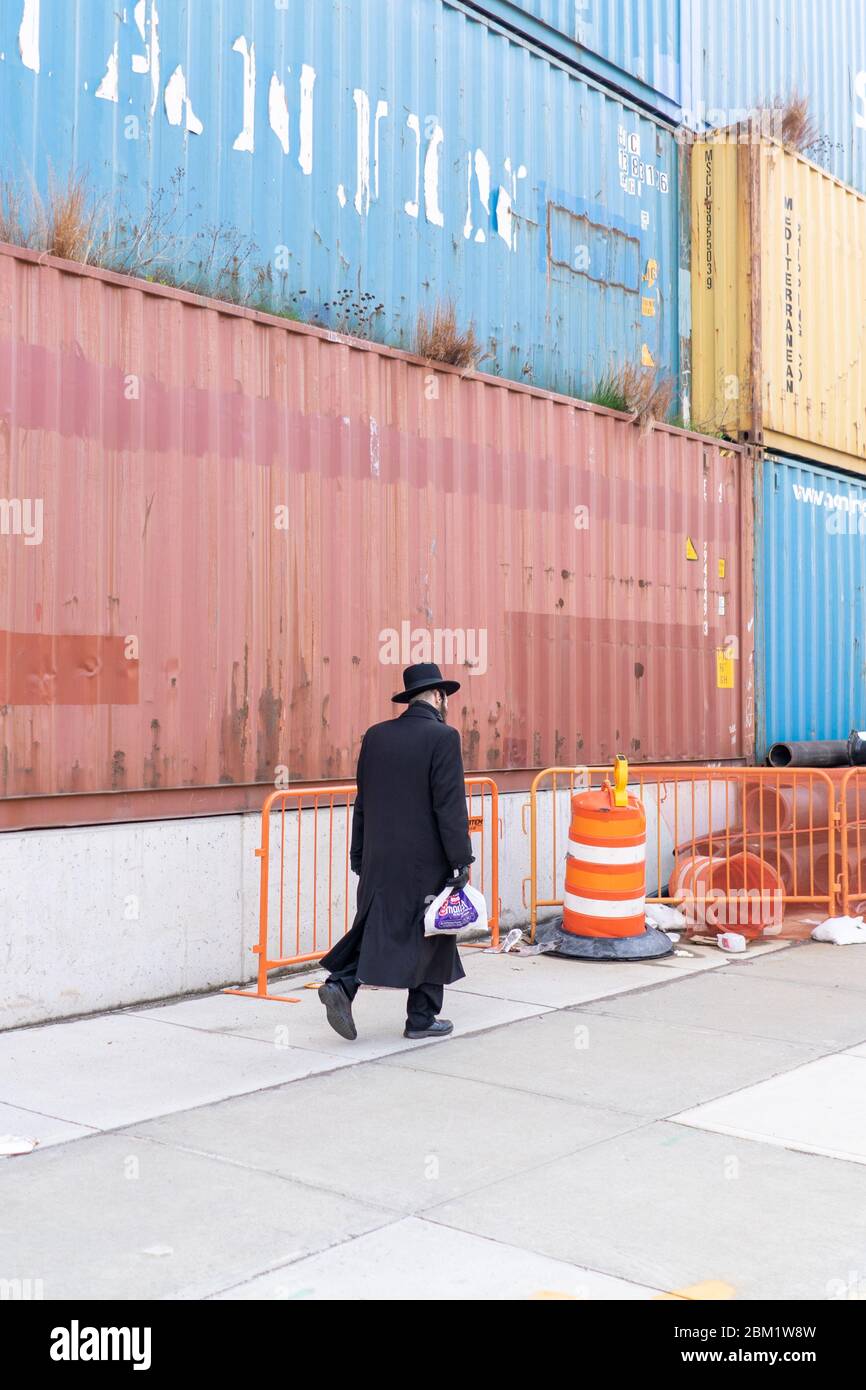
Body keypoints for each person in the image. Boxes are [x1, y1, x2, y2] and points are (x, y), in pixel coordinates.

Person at [318, 662, 473, 1041]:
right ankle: (420, 1017)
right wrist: (460, 859)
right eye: (446, 697)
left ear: (411, 697)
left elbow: (363, 802)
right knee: (432, 932)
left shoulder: (376, 736)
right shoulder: (443, 737)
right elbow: (449, 806)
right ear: (438, 696)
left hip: (379, 856)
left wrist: (358, 853)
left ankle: (343, 985)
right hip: (426, 861)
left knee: (378, 926)